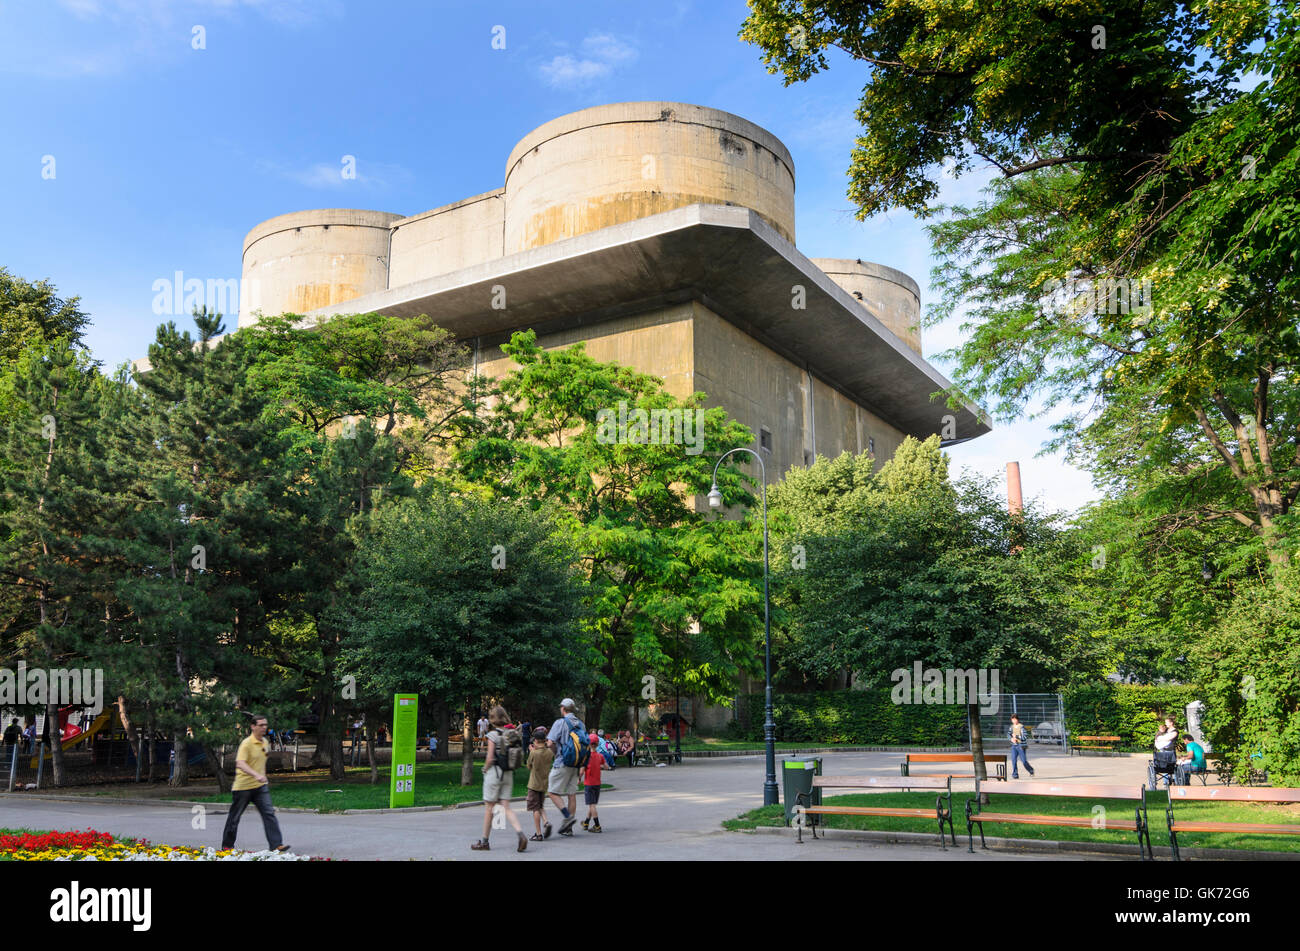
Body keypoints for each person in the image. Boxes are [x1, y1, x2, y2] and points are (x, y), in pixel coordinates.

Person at [221, 715, 290, 853]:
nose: (264, 727)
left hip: (260, 787)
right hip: (243, 787)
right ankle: (227, 846)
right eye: (261, 725)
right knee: (234, 817)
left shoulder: (264, 742)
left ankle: (276, 845)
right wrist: (256, 775)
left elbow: (261, 762)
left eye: (265, 725)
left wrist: (263, 775)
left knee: (269, 813)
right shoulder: (246, 743)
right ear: (253, 726)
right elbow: (240, 763)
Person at [471, 705, 527, 852]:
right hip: (508, 773)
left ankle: (484, 841)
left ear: (492, 719)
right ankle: (520, 834)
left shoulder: (492, 735)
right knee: (506, 807)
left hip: (495, 773)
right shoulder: (511, 733)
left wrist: (484, 769)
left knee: (489, 807)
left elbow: (490, 758)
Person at [546, 698, 587, 835]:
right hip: (576, 764)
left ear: (563, 708)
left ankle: (567, 816)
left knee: (552, 792)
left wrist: (557, 754)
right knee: (571, 794)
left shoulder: (560, 722)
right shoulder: (581, 725)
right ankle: (568, 829)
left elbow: (550, 742)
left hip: (562, 762)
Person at [525, 727, 554, 841]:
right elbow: (545, 752)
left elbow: (528, 766)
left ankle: (538, 833)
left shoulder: (534, 753)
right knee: (540, 805)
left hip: (534, 784)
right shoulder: (550, 752)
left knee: (535, 809)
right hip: (544, 783)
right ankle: (546, 822)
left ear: (536, 741)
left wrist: (532, 751)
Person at [581, 733, 606, 832]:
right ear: (597, 743)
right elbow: (606, 766)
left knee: (592, 805)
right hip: (597, 784)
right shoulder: (600, 756)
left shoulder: (586, 757)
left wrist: (578, 778)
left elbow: (582, 770)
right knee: (592, 805)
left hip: (589, 784)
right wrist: (599, 766)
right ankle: (586, 823)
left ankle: (597, 826)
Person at [1007, 715, 1034, 779]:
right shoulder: (1011, 727)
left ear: (1018, 719)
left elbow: (1025, 737)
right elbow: (1008, 734)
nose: (1014, 721)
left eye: (1015, 719)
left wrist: (1016, 736)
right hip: (1014, 746)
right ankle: (1015, 774)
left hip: (1021, 746)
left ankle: (1030, 770)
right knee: (1013, 760)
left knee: (1024, 761)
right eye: (1012, 719)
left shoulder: (1021, 727)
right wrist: (1011, 739)